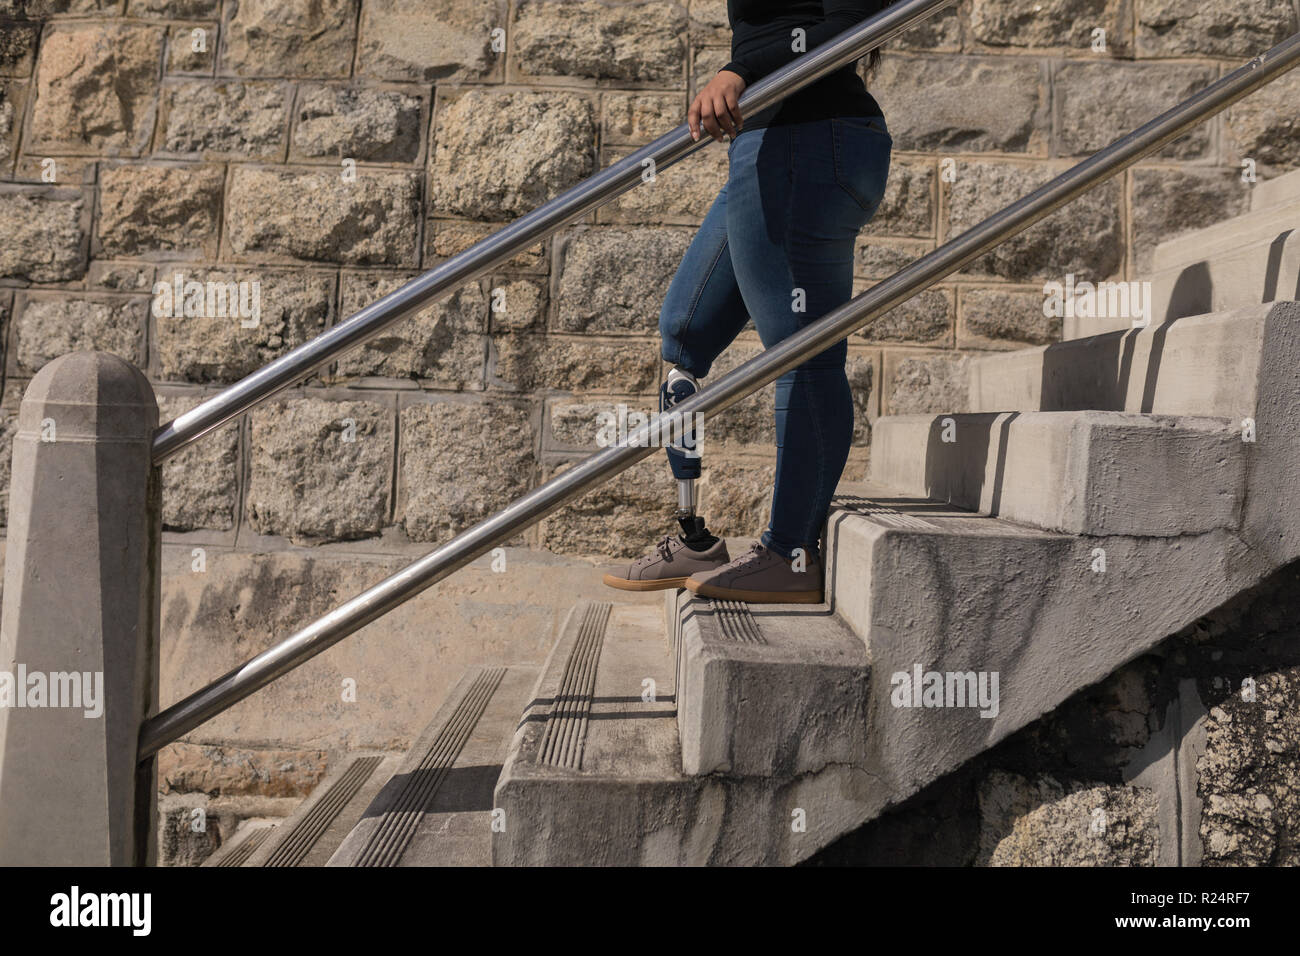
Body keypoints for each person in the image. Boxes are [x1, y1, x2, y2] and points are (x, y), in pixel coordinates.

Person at [603, 0, 895, 604]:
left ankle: (790, 553)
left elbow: (862, 14)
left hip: (812, 140)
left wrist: (740, 70)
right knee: (686, 330)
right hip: (767, 144)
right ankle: (694, 536)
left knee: (802, 350)